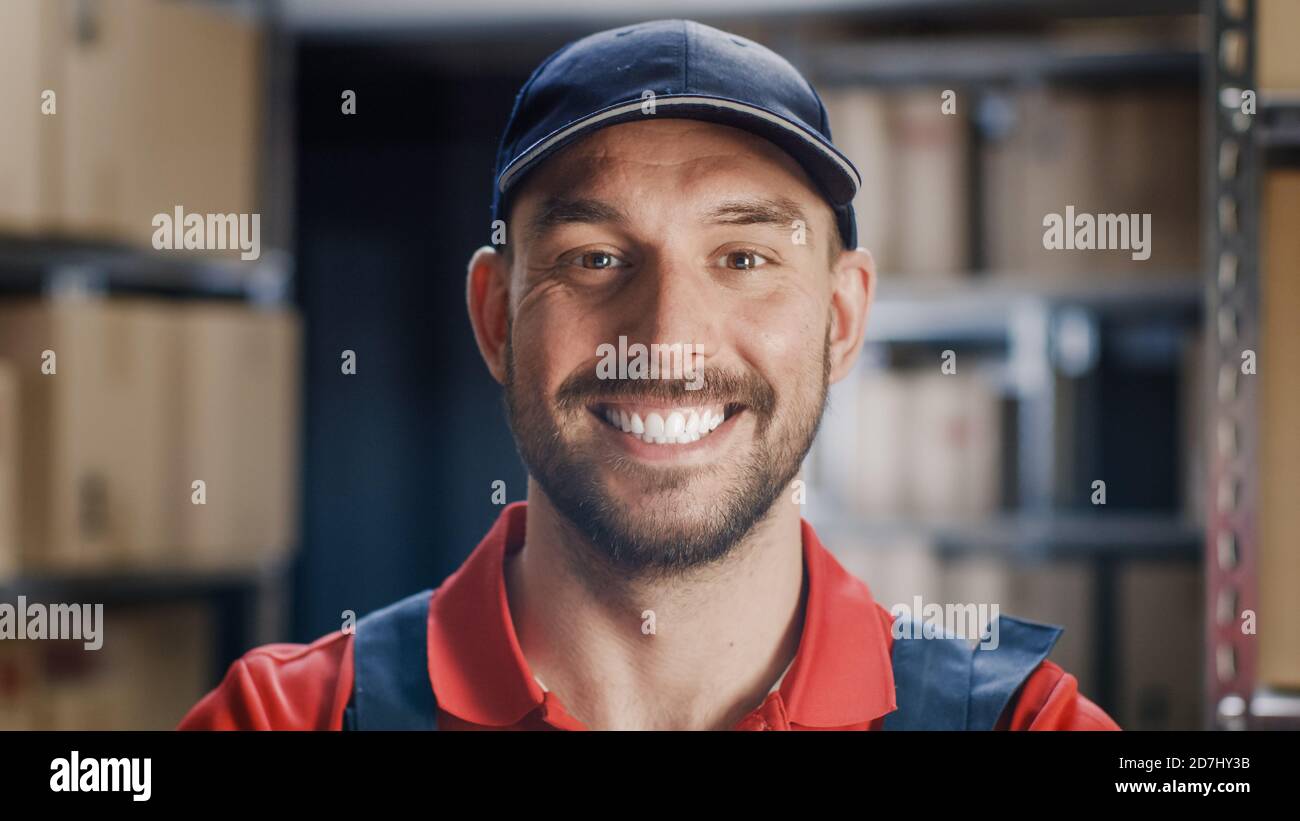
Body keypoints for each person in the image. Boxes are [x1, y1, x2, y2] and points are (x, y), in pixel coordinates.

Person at [180, 19, 1119, 731]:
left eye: (744, 258)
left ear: (839, 318)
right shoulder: (287, 718)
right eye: (594, 258)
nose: (667, 338)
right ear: (495, 316)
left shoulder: (1019, 725)